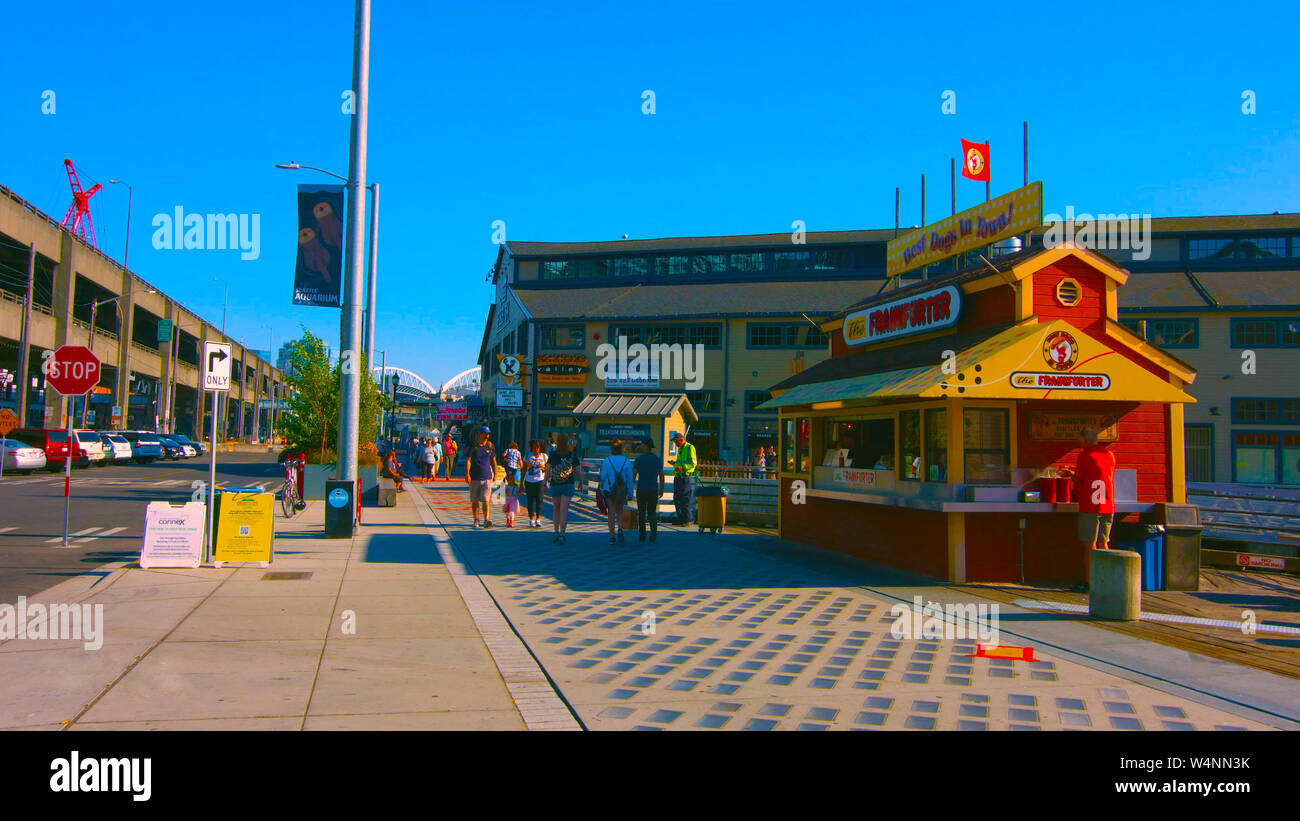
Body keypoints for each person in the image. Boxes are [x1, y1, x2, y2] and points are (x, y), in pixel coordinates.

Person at [1068, 426, 1117, 586]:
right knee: (1104, 543)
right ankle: (1105, 580)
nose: (1079, 443)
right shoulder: (1109, 455)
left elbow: (1078, 479)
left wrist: (1069, 474)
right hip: (1108, 503)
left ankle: (1090, 582)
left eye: (1080, 440)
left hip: (1090, 504)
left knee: (1089, 544)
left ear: (1086, 440)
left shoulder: (1085, 455)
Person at [546, 437, 583, 545]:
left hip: (555, 484)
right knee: (564, 510)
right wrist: (580, 482)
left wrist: (544, 483)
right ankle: (562, 534)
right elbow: (577, 471)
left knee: (556, 509)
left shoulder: (553, 455)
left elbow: (548, 470)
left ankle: (556, 531)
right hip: (568, 484)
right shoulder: (571, 455)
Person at [599, 439, 635, 544]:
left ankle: (612, 535)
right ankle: (620, 529)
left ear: (612, 449)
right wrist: (630, 493)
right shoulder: (626, 461)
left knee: (611, 511)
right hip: (621, 490)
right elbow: (630, 478)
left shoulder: (607, 460)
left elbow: (603, 476)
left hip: (609, 489)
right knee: (620, 510)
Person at [633, 437, 665, 543]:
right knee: (652, 512)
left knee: (641, 513)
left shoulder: (639, 459)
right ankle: (653, 534)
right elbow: (661, 475)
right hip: (653, 489)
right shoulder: (657, 459)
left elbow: (634, 474)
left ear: (645, 446)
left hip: (641, 489)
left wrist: (630, 487)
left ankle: (642, 534)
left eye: (642, 444)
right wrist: (661, 488)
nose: (641, 445)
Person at [465, 427, 498, 528]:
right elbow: (468, 461)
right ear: (479, 434)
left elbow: (494, 461)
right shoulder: (473, 446)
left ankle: (486, 519)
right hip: (474, 478)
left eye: (488, 434)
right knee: (475, 501)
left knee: (485, 500)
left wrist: (495, 473)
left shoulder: (490, 446)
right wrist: (467, 474)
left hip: (487, 477)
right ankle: (476, 519)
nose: (486, 436)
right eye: (484, 434)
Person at [667, 431, 697, 525]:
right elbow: (680, 462)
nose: (675, 444)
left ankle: (688, 519)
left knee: (685, 498)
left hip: (685, 477)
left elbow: (693, 463)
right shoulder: (680, 449)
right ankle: (681, 518)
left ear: (681, 440)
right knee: (677, 498)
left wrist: (682, 467)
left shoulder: (690, 448)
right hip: (678, 476)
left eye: (676, 442)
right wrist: (674, 464)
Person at [523, 439, 548, 528]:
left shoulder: (544, 456)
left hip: (539, 481)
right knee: (530, 501)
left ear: (540, 448)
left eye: (537, 447)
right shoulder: (527, 455)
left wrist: (543, 468)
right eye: (534, 447)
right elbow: (523, 469)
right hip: (529, 481)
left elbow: (547, 469)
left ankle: (538, 519)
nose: (535, 449)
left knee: (539, 500)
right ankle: (531, 518)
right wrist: (521, 483)